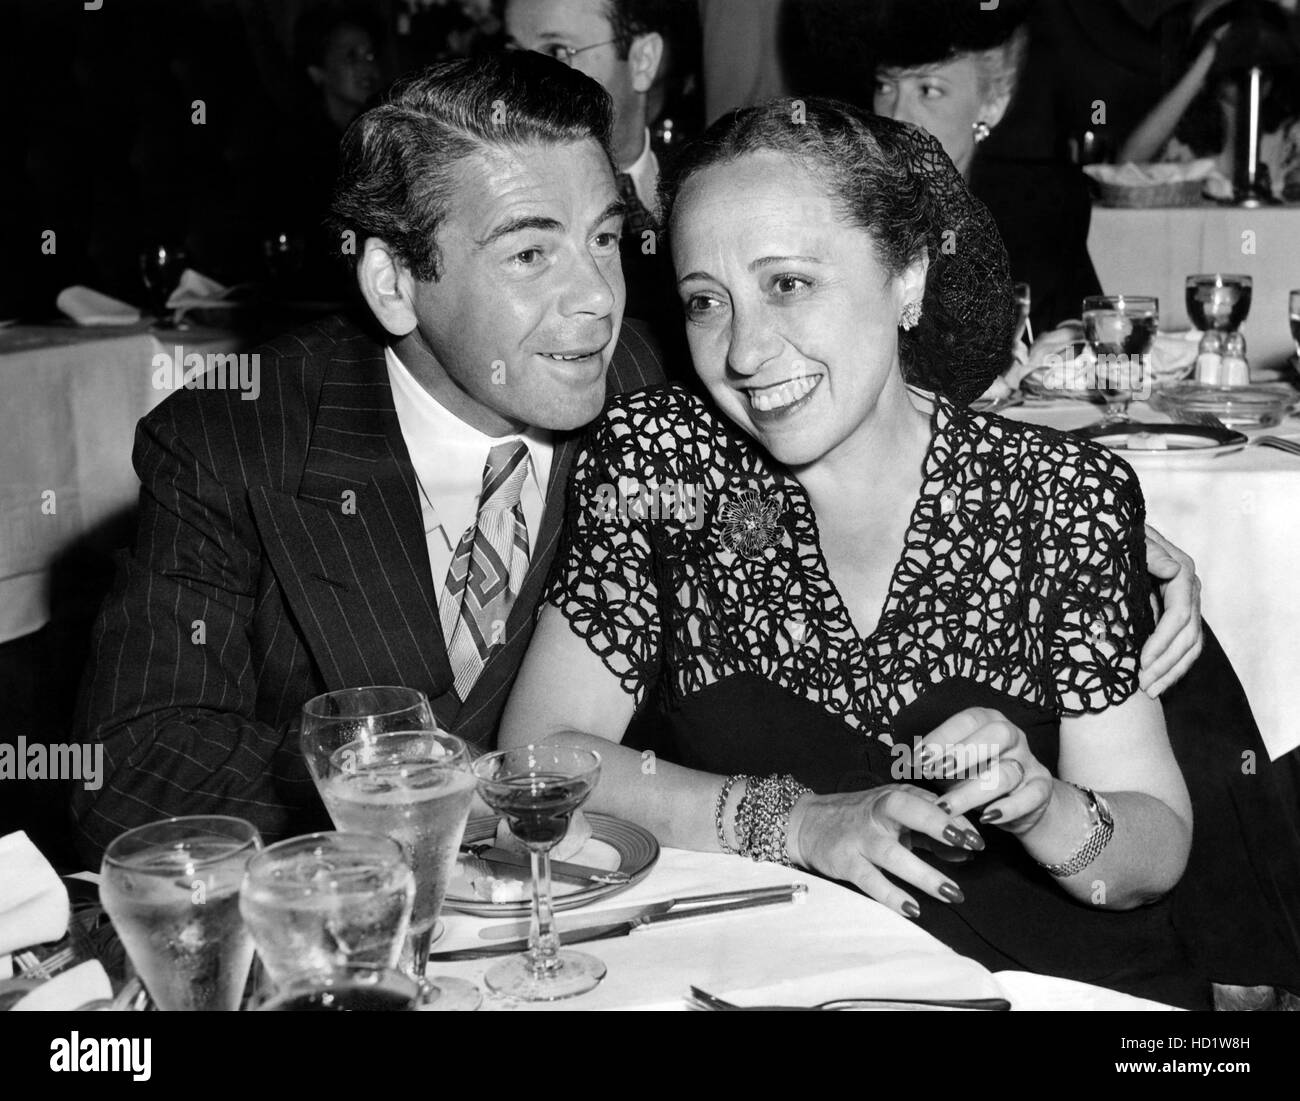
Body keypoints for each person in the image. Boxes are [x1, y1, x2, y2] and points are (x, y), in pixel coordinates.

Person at [500, 99, 1299, 1007]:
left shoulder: (1054, 493)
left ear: (908, 275)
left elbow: (1150, 852)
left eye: (790, 283)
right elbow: (537, 759)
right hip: (780, 980)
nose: (749, 350)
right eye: (705, 302)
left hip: (1052, 985)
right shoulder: (662, 462)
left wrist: (1040, 805)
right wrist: (797, 822)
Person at [68, 52, 665, 864]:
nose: (597, 295)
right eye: (530, 254)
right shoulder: (231, 439)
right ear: (392, 282)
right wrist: (407, 791)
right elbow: (132, 769)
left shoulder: (653, 399)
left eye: (604, 238)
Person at [864, 0, 1102, 341]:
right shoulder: (848, 206)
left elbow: (1093, 328)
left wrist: (1069, 340)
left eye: (929, 90)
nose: (896, 114)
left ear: (992, 103)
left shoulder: (1043, 207)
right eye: (885, 86)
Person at [503, 0, 689, 369]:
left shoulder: (703, 182)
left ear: (643, 60)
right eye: (512, 53)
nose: (519, 79)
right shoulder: (491, 207)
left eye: (557, 51)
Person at [1119, 0, 1300, 200]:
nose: (1248, 61)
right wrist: (1207, 61)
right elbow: (1126, 167)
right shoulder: (1183, 146)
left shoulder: (1289, 139)